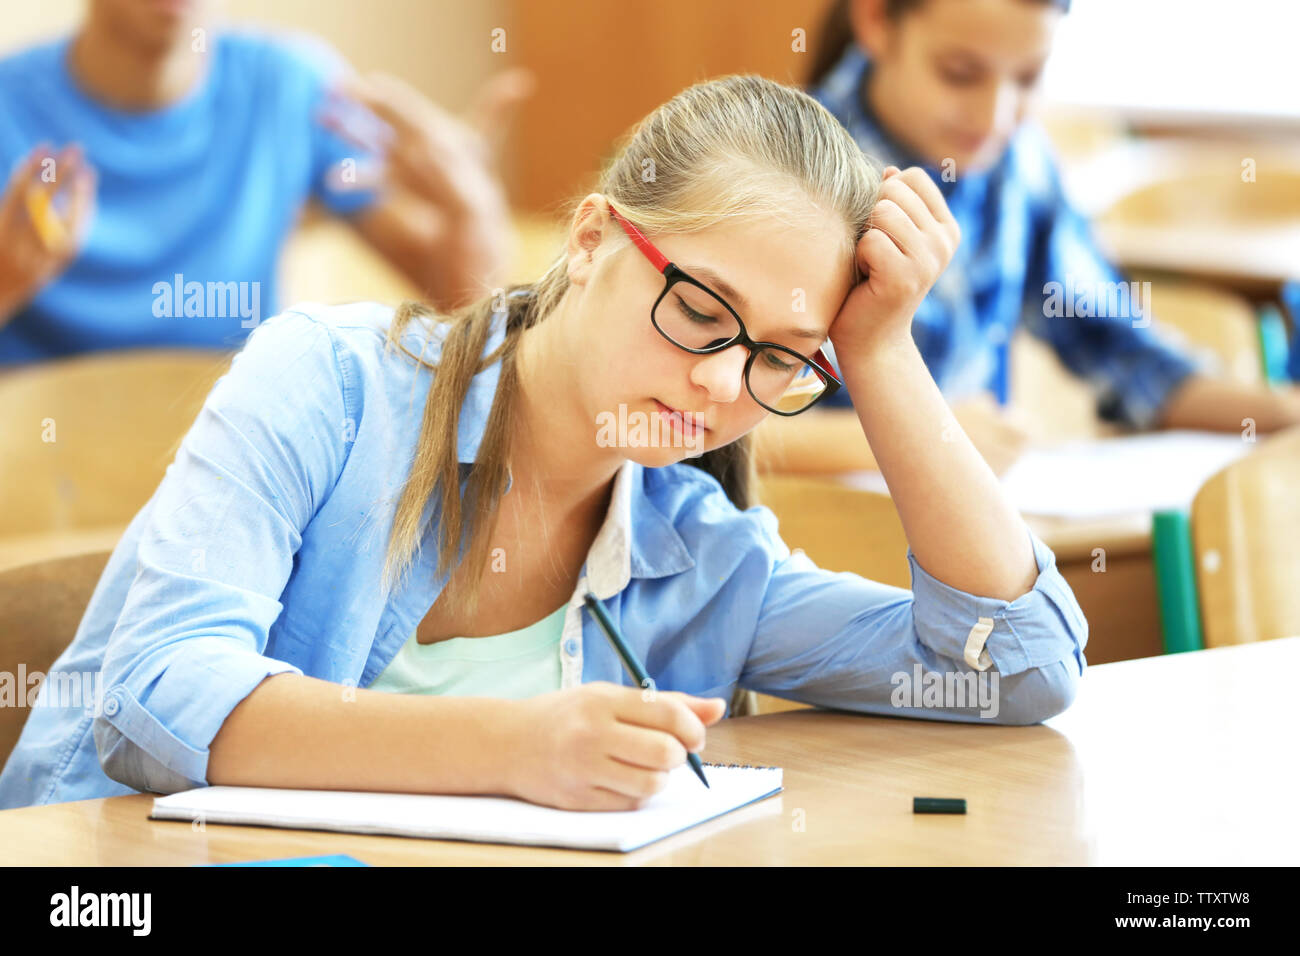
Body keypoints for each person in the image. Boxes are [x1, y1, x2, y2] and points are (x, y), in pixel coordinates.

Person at [0, 74, 1087, 812]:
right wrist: (513, 748)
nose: (719, 382)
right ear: (592, 238)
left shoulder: (699, 557)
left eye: (779, 360)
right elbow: (156, 697)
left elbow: (1018, 666)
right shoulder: (325, 385)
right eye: (702, 311)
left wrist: (882, 355)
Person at [756, 0, 1300, 476]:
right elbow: (715, 422)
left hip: (958, 529)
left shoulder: (1020, 166)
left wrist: (1280, 414)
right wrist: (929, 437)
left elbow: (1126, 354)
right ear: (876, 19)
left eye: (1027, 78)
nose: (994, 115)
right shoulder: (785, 167)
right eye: (960, 72)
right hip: (804, 543)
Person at [0, 0, 529, 365]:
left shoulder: (288, 85)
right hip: (44, 490)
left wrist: (470, 210)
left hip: (235, 474)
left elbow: (457, 304)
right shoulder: (9, 106)